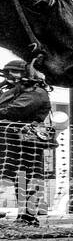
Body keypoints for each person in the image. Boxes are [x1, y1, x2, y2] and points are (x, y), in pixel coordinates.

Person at [0, 60, 52, 226]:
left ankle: (28, 215)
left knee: (27, 177)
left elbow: (17, 110)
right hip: (8, 139)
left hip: (25, 140)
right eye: (8, 72)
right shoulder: (10, 89)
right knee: (14, 177)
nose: (11, 76)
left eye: (14, 72)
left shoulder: (35, 91)